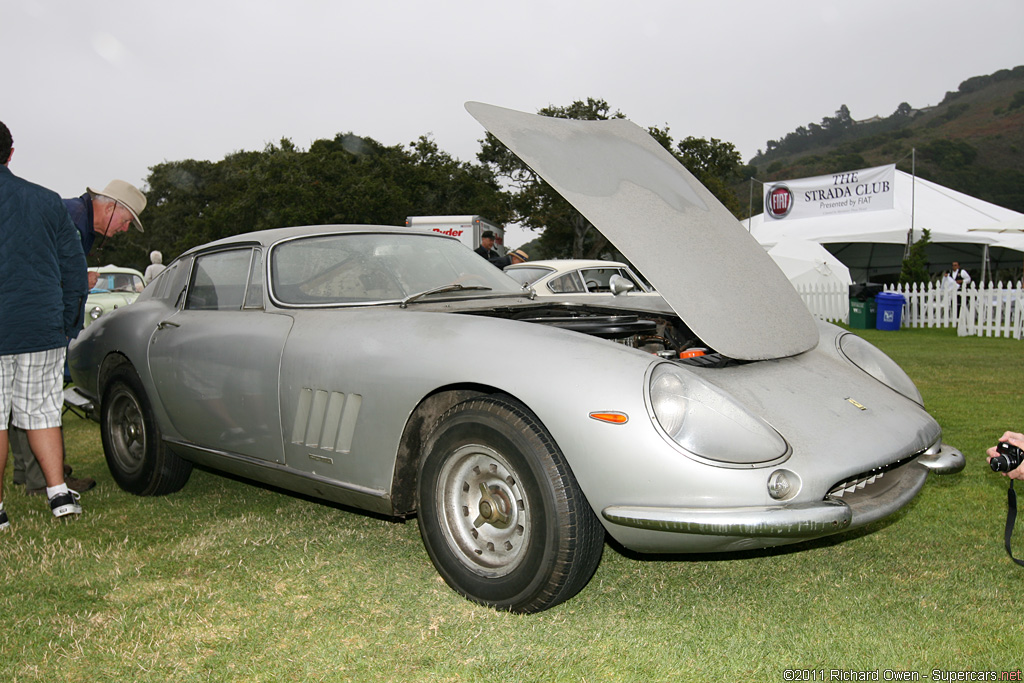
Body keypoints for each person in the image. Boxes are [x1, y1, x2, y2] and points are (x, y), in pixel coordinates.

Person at [11, 177, 147, 495]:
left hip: (24, 320)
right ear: (111, 207)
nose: (125, 230)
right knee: (38, 398)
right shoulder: (70, 220)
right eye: (126, 221)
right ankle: (44, 476)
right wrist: (76, 281)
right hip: (36, 322)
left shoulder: (76, 217)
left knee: (22, 397)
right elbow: (35, 269)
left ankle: (28, 468)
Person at [0, 120, 90, 526]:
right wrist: (67, 324)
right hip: (41, 325)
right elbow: (75, 270)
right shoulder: (48, 201)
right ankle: (59, 495)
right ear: (11, 154)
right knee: (43, 412)